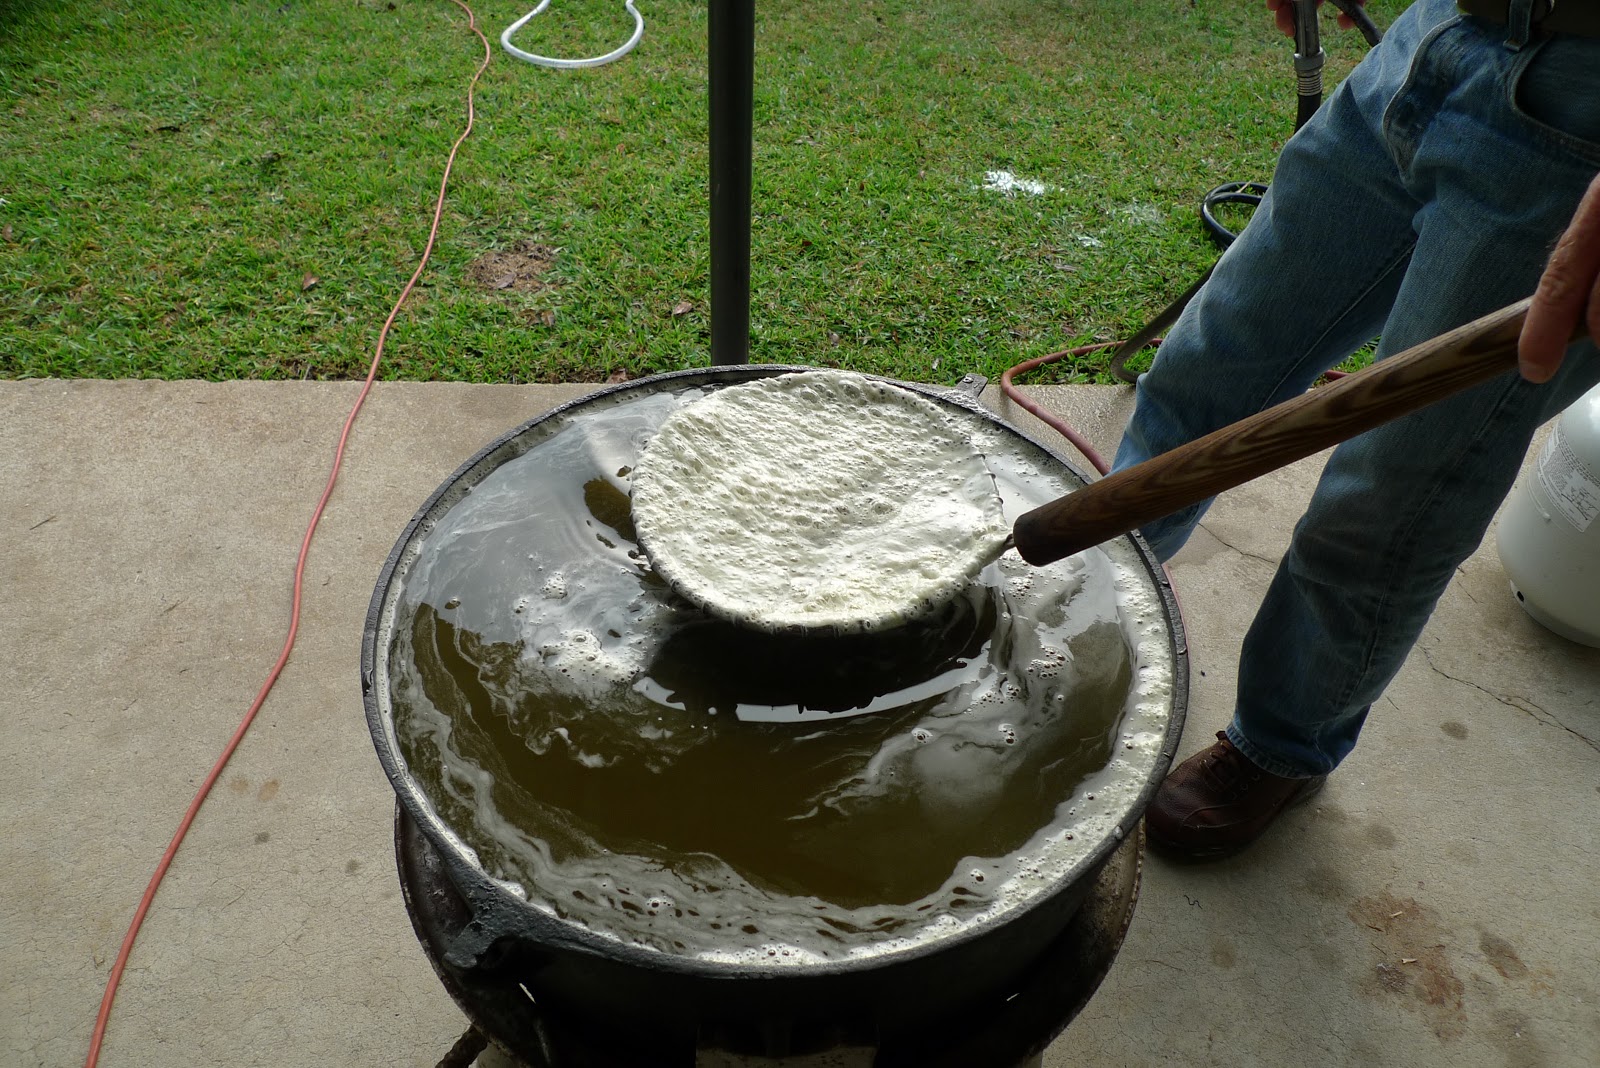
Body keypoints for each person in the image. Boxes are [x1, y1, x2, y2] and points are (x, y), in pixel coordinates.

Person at [1112, 0, 1600, 860]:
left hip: (1581, 119)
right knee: (1209, 366)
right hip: (1434, 38)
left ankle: (1281, 744)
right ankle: (1097, 603)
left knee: (1388, 495)